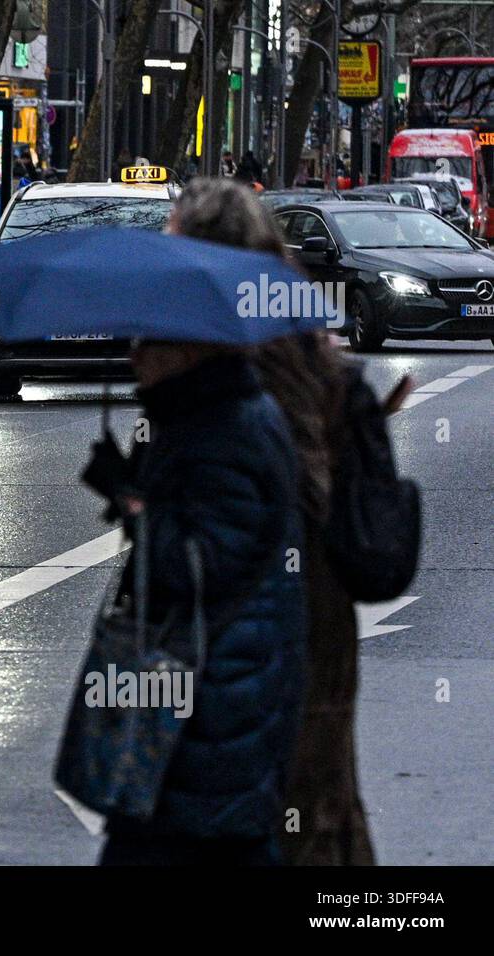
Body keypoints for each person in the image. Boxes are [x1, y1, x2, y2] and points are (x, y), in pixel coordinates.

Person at [82, 184, 307, 866]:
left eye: (148, 341)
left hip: (205, 732)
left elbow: (196, 567)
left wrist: (132, 502)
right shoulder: (202, 418)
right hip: (202, 729)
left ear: (188, 348)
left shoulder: (225, 430)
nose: (132, 354)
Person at [168, 176, 378, 865]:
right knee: (319, 794)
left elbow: (212, 532)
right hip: (321, 619)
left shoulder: (221, 377)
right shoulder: (319, 360)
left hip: (250, 620)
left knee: (257, 795)